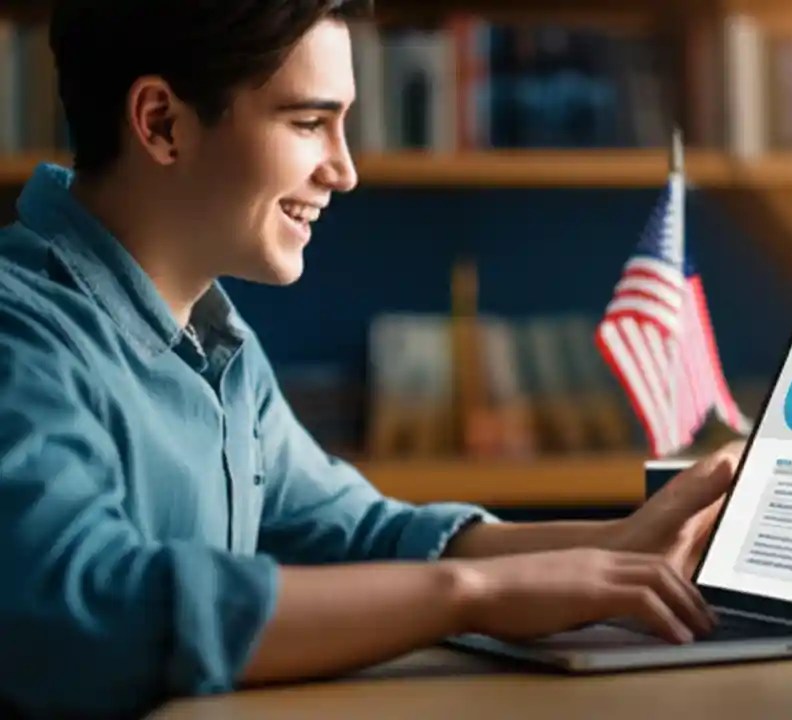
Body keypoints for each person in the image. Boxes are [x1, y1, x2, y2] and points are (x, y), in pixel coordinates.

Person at [0, 1, 742, 716]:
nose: (346, 169)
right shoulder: (19, 333)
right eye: (309, 122)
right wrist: (474, 596)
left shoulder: (220, 345)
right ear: (162, 123)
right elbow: (83, 612)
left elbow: (363, 535)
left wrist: (615, 546)